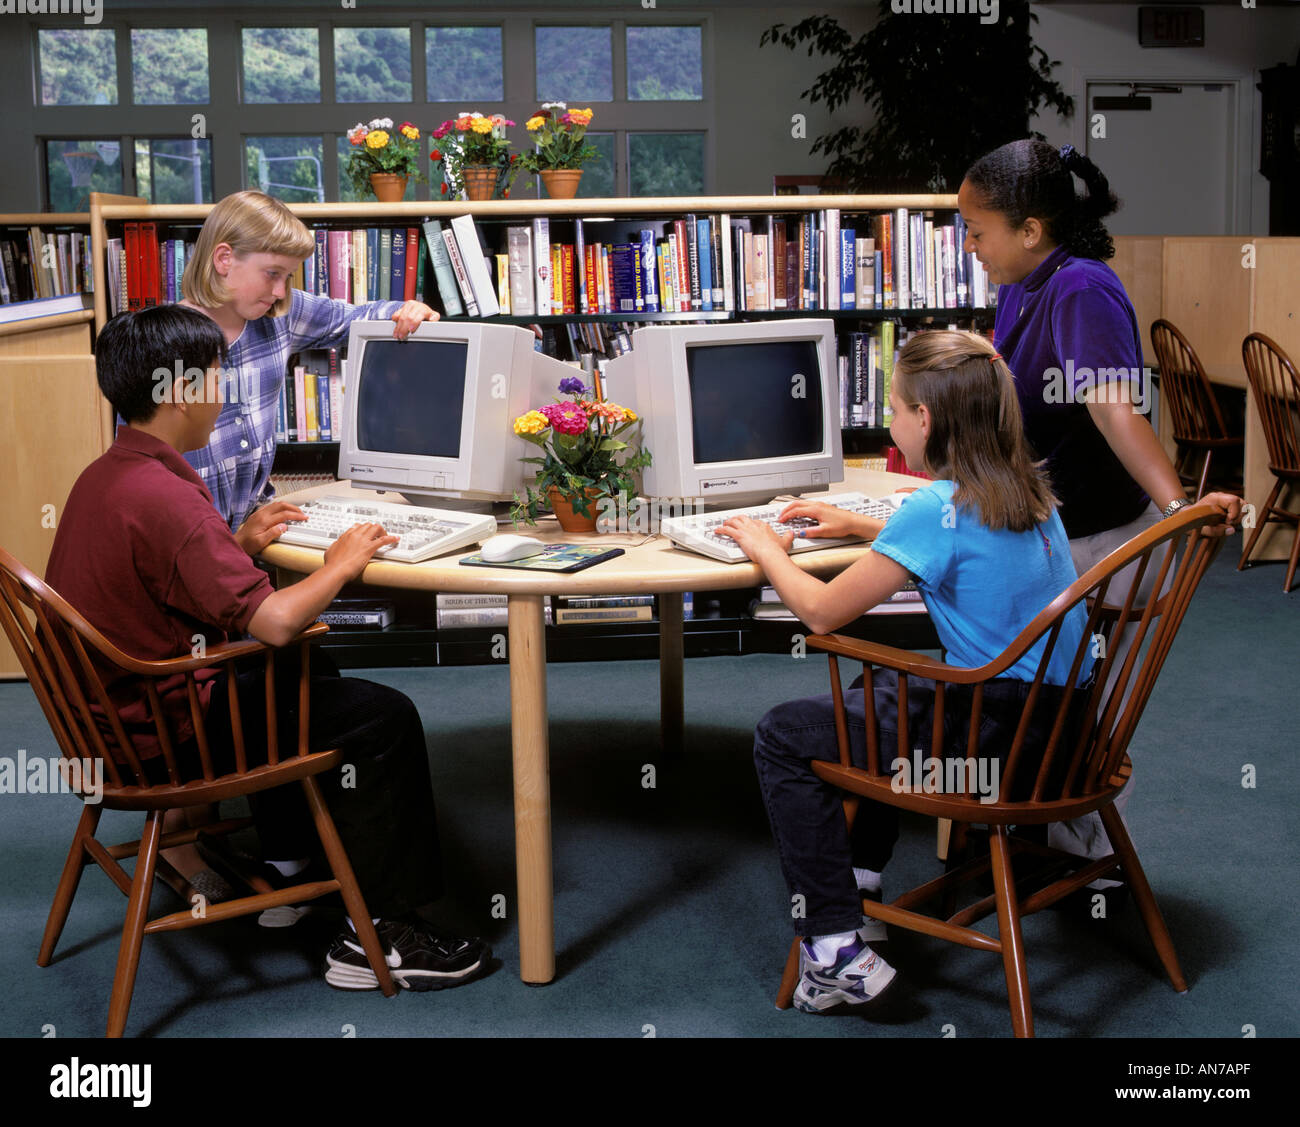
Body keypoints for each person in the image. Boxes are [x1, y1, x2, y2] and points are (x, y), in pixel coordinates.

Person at [46, 305, 487, 993]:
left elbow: (163, 571)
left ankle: (294, 863)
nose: (227, 387)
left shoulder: (110, 474)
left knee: (311, 670)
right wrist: (340, 564)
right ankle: (384, 931)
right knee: (386, 716)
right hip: (163, 741)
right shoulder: (169, 499)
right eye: (217, 372)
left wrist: (238, 543)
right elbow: (275, 621)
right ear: (180, 390)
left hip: (106, 724)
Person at [719, 330, 1093, 1014]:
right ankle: (860, 883)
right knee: (883, 690)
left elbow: (822, 612)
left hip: (995, 747)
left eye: (894, 407)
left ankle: (832, 951)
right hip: (1066, 734)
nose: (890, 421)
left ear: (925, 419)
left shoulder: (934, 510)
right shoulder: (1028, 486)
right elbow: (955, 531)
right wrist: (865, 527)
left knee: (781, 734)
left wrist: (766, 546)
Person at [957, 139, 1242, 866]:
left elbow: (1118, 410)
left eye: (977, 229)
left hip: (1098, 536)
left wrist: (1178, 509)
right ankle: (1028, 815)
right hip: (1050, 523)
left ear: (1030, 230)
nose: (970, 245)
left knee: (1020, 662)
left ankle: (1081, 847)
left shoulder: (1081, 288)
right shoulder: (1023, 282)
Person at [176, 190, 439, 548]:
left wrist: (410, 310)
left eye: (287, 276)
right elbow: (143, 471)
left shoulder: (284, 313)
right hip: (190, 548)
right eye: (272, 274)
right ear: (224, 258)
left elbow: (359, 319)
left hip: (254, 538)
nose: (281, 289)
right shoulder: (163, 341)